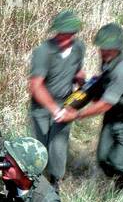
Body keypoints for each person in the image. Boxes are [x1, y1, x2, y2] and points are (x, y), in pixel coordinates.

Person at [71, 22, 123, 190]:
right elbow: (100, 98)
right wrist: (84, 85)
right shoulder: (108, 63)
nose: (104, 51)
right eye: (102, 48)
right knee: (103, 158)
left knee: (119, 162)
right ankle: (120, 182)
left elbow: (105, 104)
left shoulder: (122, 70)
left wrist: (76, 116)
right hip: (114, 114)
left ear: (118, 48)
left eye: (109, 48)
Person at [27, 10, 86, 185]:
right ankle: (33, 179)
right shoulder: (43, 52)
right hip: (42, 106)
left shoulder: (79, 48)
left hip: (66, 103)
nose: (64, 39)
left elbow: (78, 71)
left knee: (58, 146)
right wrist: (54, 109)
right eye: (61, 34)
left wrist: (82, 80)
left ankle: (55, 182)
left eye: (69, 35)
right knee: (40, 145)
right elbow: (36, 86)